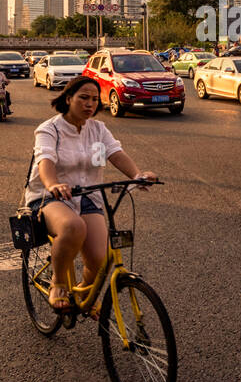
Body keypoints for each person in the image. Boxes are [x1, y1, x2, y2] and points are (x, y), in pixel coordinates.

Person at [26, 76, 157, 312]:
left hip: (88, 196)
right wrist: (54, 184)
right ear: (68, 99)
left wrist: (137, 175)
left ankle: (84, 292)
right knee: (73, 227)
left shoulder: (98, 129)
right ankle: (59, 283)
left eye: (95, 99)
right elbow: (45, 161)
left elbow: (116, 153)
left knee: (100, 258)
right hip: (50, 197)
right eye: (83, 98)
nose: (90, 104)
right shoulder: (49, 129)